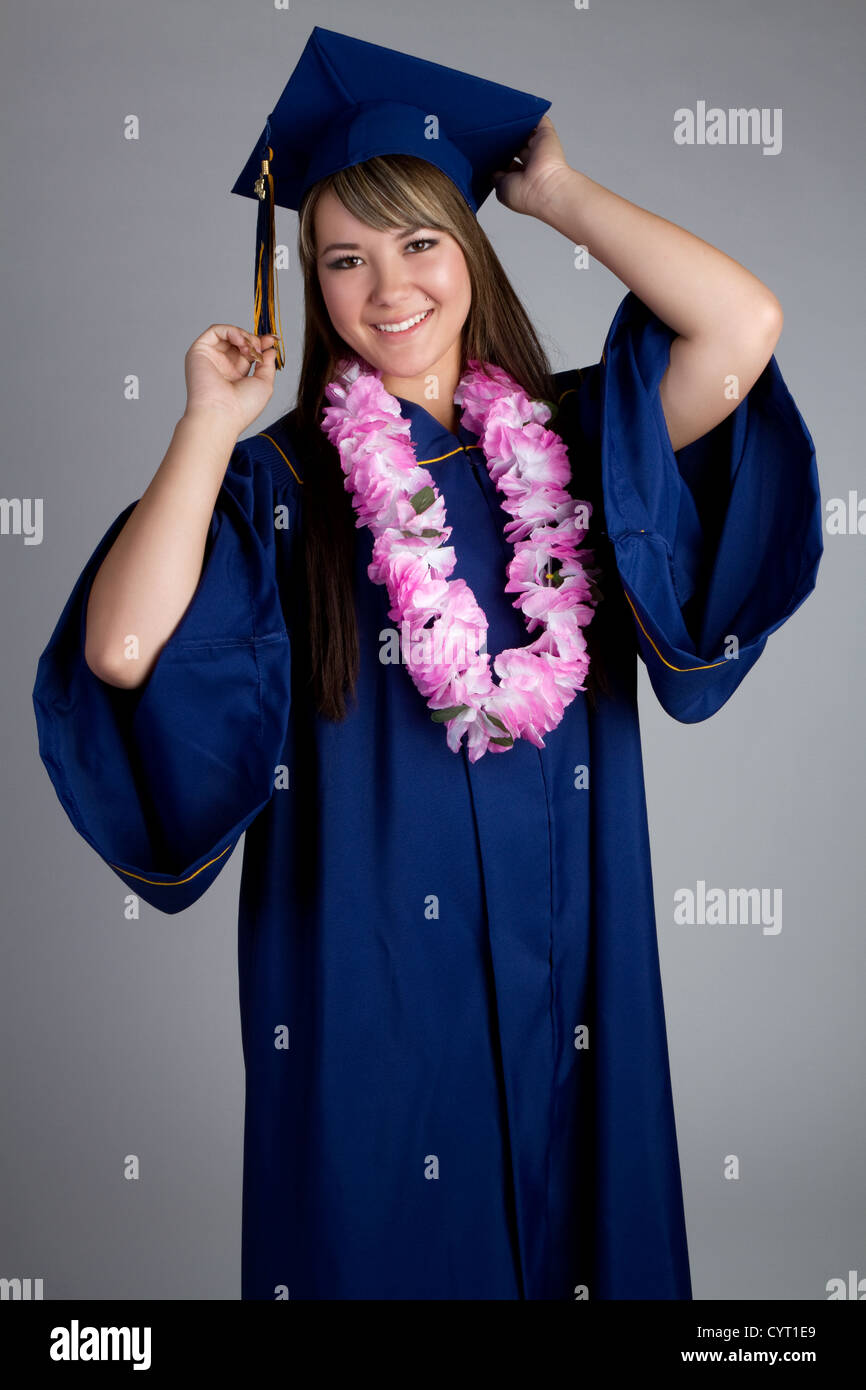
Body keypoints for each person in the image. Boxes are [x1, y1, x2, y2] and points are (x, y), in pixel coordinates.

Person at [32, 26, 823, 1300]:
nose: (385, 287)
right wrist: (204, 422)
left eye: (417, 242)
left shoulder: (569, 442)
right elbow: (123, 651)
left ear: (469, 250)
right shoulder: (276, 483)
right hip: (363, 957)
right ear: (310, 283)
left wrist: (555, 192)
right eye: (343, 259)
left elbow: (743, 321)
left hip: (574, 931)